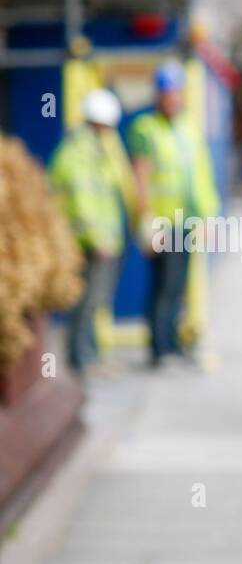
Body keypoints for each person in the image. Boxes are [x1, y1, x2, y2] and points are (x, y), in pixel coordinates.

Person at [127, 59, 220, 367]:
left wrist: (207, 217)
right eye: (167, 93)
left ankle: (173, 343)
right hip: (163, 223)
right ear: (158, 95)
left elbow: (201, 176)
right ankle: (160, 349)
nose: (172, 99)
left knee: (178, 287)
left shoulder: (188, 128)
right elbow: (140, 176)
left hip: (186, 222)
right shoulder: (145, 129)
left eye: (176, 93)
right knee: (163, 286)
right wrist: (147, 220)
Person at [49, 88, 137, 377]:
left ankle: (91, 354)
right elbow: (80, 201)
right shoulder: (77, 151)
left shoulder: (99, 148)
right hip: (90, 242)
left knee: (96, 300)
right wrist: (97, 239)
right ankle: (80, 358)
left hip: (105, 240)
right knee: (87, 301)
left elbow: (114, 185)